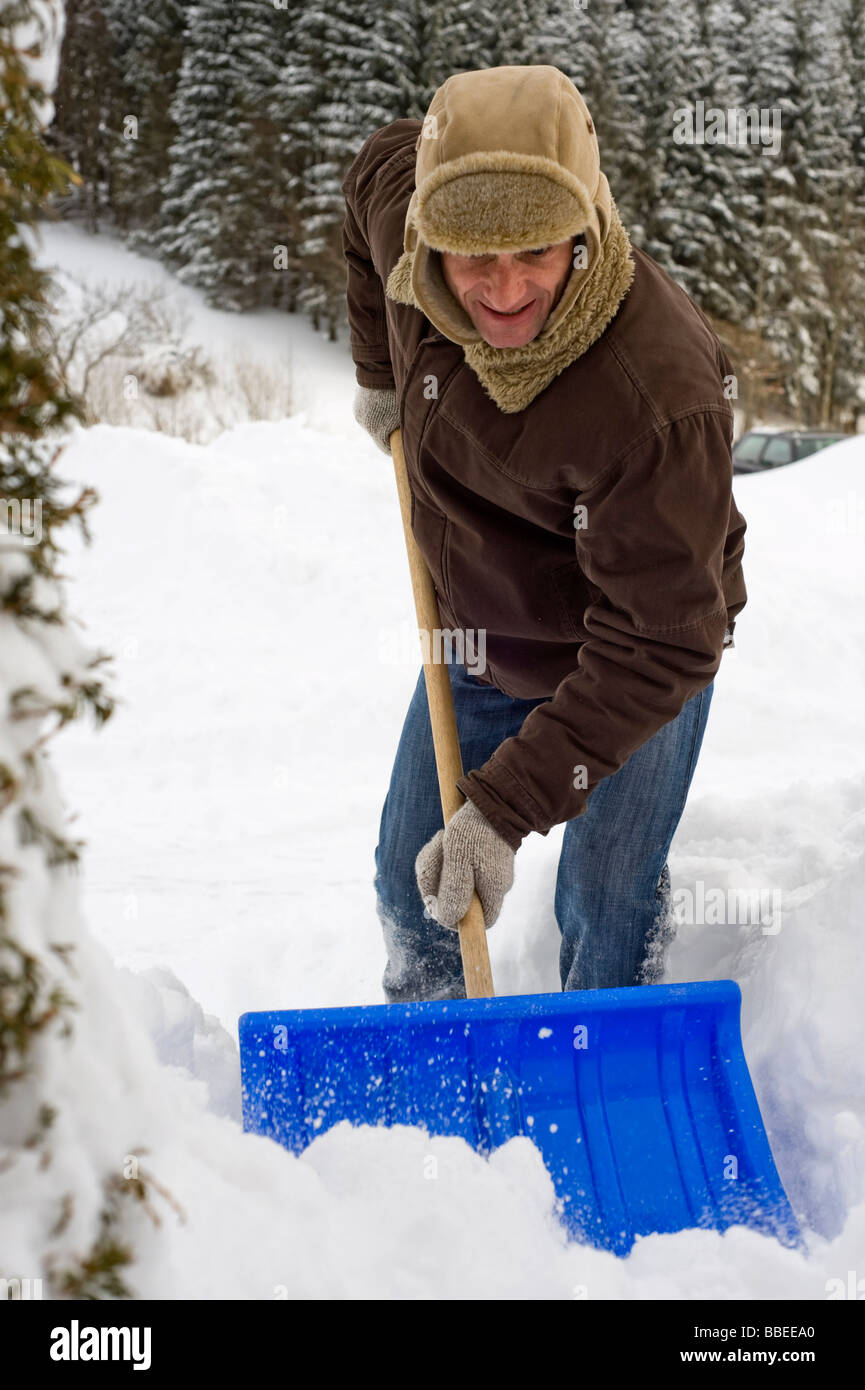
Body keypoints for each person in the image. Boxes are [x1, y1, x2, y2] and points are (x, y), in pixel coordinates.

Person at [342, 65, 746, 1002]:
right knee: (414, 896)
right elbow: (374, 167)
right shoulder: (414, 245)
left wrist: (503, 808)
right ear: (430, 238)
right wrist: (377, 373)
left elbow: (662, 638)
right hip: (481, 639)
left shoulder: (660, 398)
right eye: (470, 256)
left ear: (583, 225)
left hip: (639, 656)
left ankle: (605, 1063)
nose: (504, 287)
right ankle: (435, 1068)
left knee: (605, 910)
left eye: (534, 250)